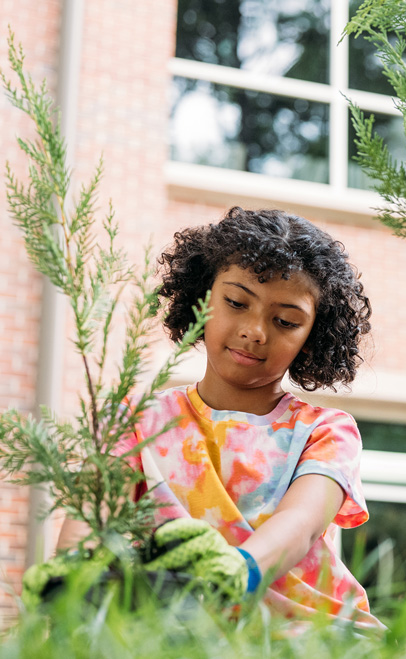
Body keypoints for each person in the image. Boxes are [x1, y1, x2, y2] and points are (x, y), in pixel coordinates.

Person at [54, 207, 380, 627]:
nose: (256, 330)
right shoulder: (134, 422)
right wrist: (66, 590)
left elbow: (299, 525)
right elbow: (91, 521)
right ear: (201, 296)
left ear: (313, 337)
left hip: (304, 633)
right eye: (236, 302)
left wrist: (234, 574)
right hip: (169, 629)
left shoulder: (325, 432)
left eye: (285, 321)